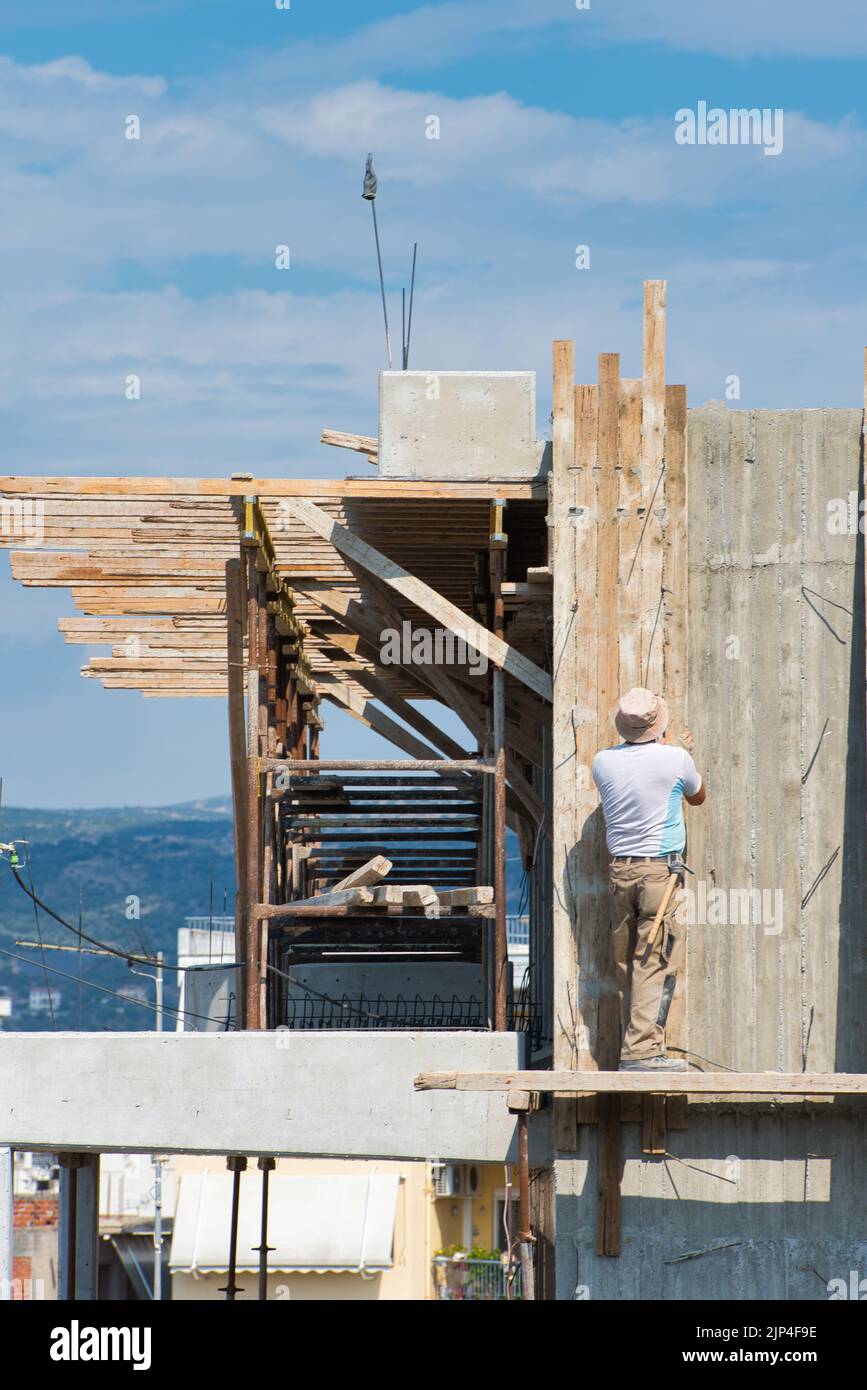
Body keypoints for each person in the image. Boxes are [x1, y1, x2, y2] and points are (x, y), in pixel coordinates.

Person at [591, 687, 706, 1073]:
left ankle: (634, 1047)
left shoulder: (602, 762)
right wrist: (673, 749)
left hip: (619, 870)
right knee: (654, 959)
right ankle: (642, 1053)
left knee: (626, 963)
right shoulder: (675, 758)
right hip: (660, 872)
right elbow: (697, 796)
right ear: (660, 728)